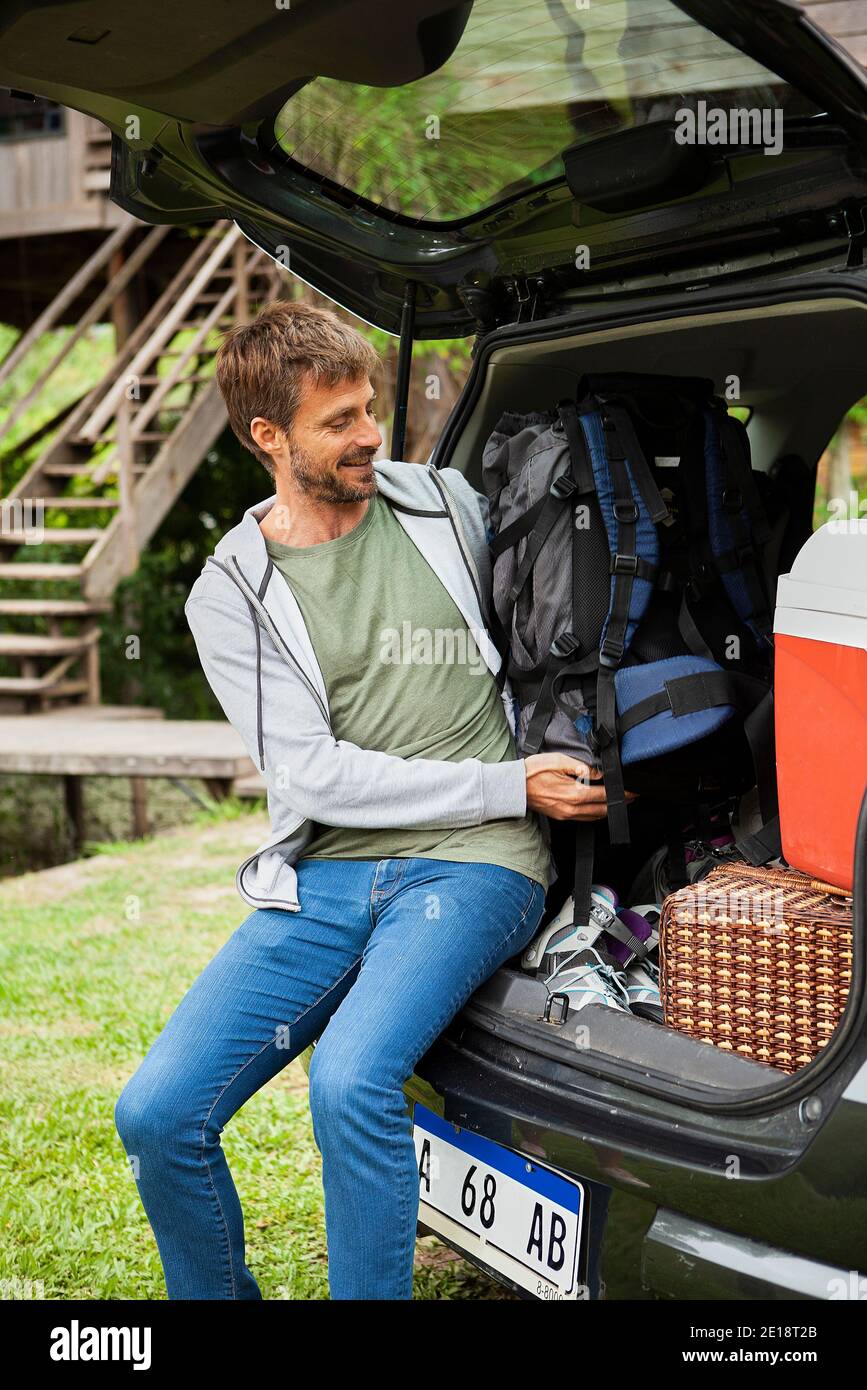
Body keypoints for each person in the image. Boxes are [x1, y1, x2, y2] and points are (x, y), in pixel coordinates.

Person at [114, 299, 612, 1300]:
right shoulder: (233, 591)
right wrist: (506, 776)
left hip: (477, 858)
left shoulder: (440, 505)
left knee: (350, 1080)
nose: (369, 436)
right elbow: (315, 775)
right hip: (329, 874)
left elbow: (552, 602)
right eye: (337, 420)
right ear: (268, 438)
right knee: (157, 1112)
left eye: (369, 407)